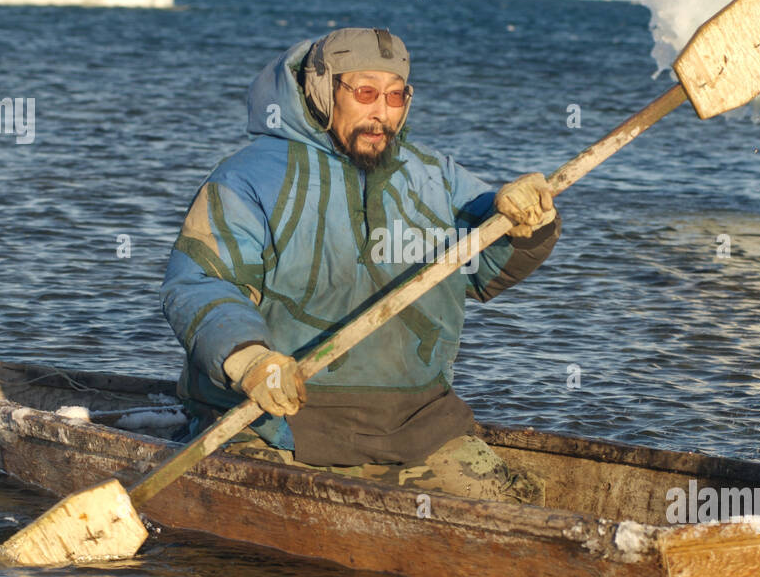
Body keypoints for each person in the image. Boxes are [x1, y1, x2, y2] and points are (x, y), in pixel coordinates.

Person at [162, 27, 559, 504]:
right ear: (322, 90)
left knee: (516, 509)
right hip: (277, 426)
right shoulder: (248, 177)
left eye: (395, 96)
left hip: (419, 429)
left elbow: (488, 272)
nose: (381, 113)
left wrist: (526, 223)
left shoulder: (437, 176)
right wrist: (250, 360)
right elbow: (202, 282)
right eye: (366, 93)